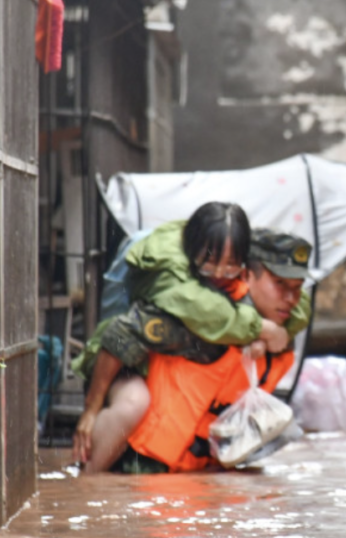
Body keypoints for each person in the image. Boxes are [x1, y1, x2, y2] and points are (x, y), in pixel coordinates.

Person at [70, 202, 303, 472]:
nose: (218, 275)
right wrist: (90, 410)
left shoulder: (242, 299)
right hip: (118, 366)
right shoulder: (179, 297)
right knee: (133, 403)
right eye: (210, 264)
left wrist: (262, 337)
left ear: (244, 266)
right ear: (193, 253)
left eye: (230, 268)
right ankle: (87, 479)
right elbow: (117, 338)